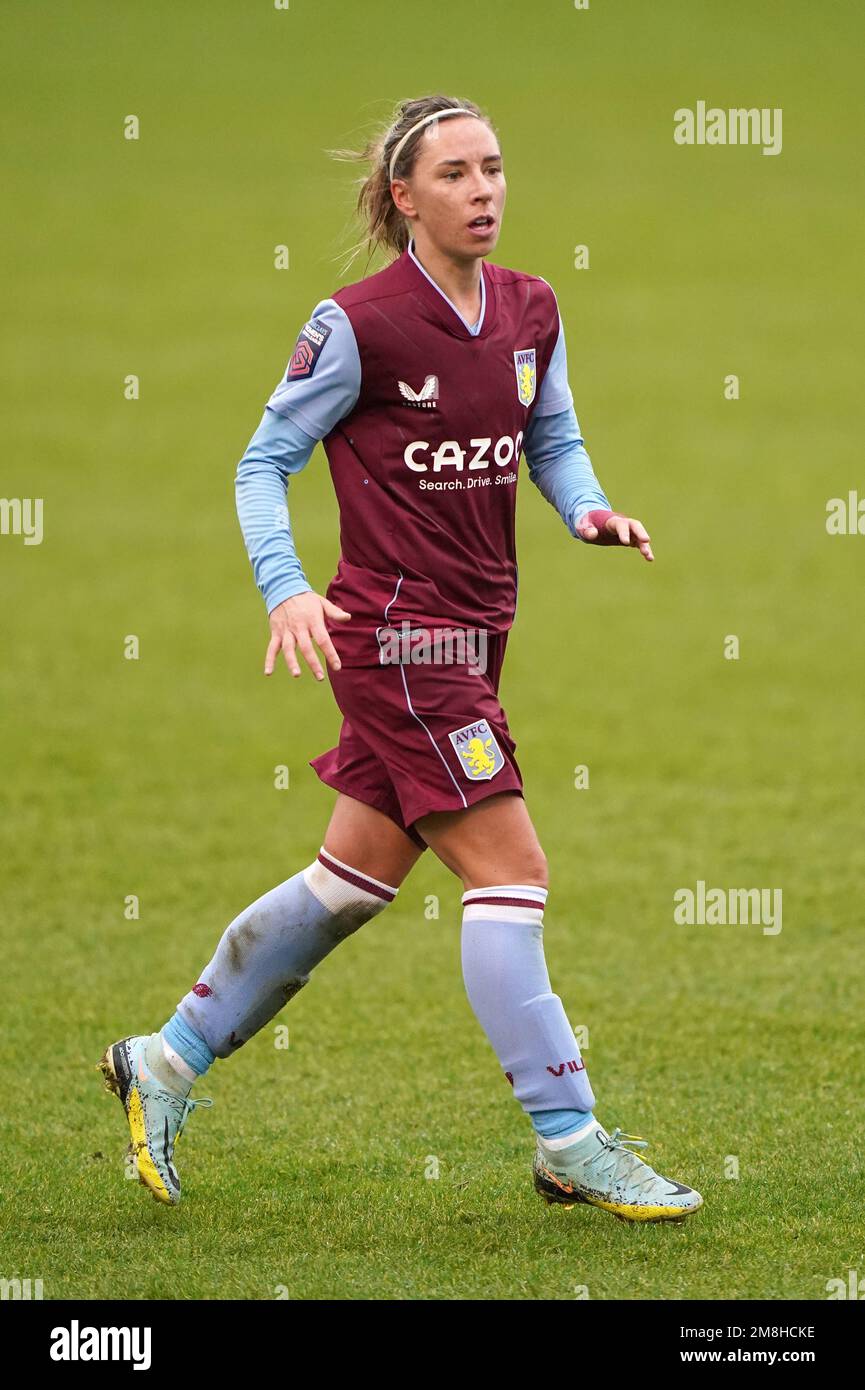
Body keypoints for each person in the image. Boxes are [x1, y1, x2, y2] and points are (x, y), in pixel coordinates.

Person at [98, 94, 702, 1224]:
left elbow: (551, 437)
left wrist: (588, 511)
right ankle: (568, 1138)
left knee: (347, 886)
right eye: (457, 174)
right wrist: (288, 589)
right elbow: (260, 462)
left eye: (495, 169)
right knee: (511, 871)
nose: (484, 191)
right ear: (402, 197)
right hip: (400, 642)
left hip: (476, 637)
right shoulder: (357, 325)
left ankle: (163, 1061)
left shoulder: (531, 309)